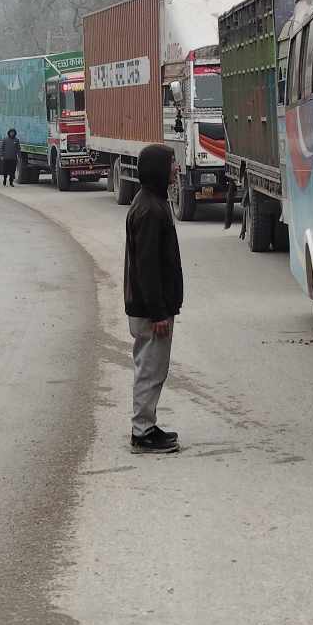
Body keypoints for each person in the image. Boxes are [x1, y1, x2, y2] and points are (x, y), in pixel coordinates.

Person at [123, 143, 184, 453]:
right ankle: (142, 433)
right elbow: (147, 267)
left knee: (151, 367)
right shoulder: (149, 209)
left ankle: (147, 424)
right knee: (150, 369)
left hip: (151, 307)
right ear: (158, 168)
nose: (176, 168)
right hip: (150, 311)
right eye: (172, 163)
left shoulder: (152, 201)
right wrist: (159, 313)